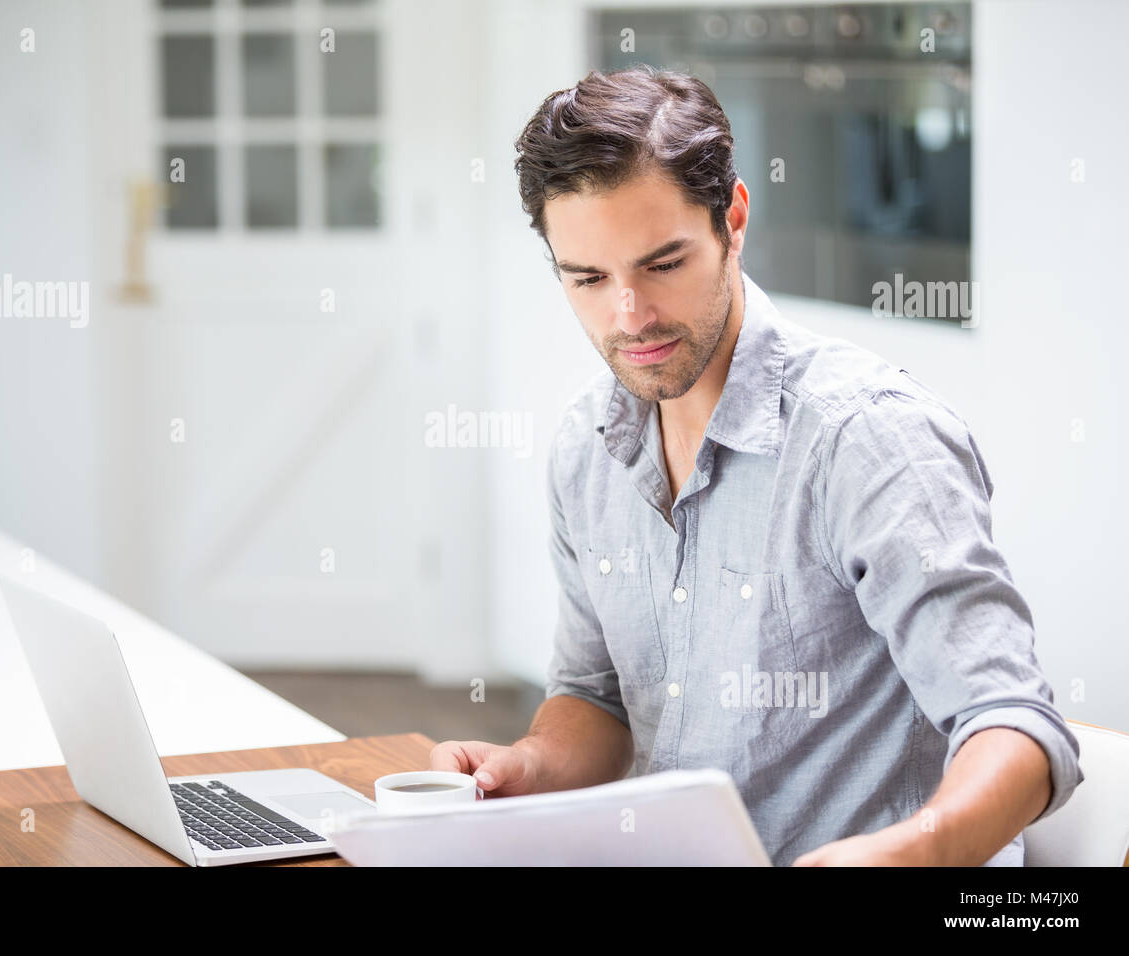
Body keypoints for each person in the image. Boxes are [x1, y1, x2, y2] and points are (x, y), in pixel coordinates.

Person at [430, 64, 1082, 866]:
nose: (629, 317)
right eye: (590, 280)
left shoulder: (867, 440)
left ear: (732, 218)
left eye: (662, 264)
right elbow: (596, 701)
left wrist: (918, 852)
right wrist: (521, 767)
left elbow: (1013, 721)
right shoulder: (587, 445)